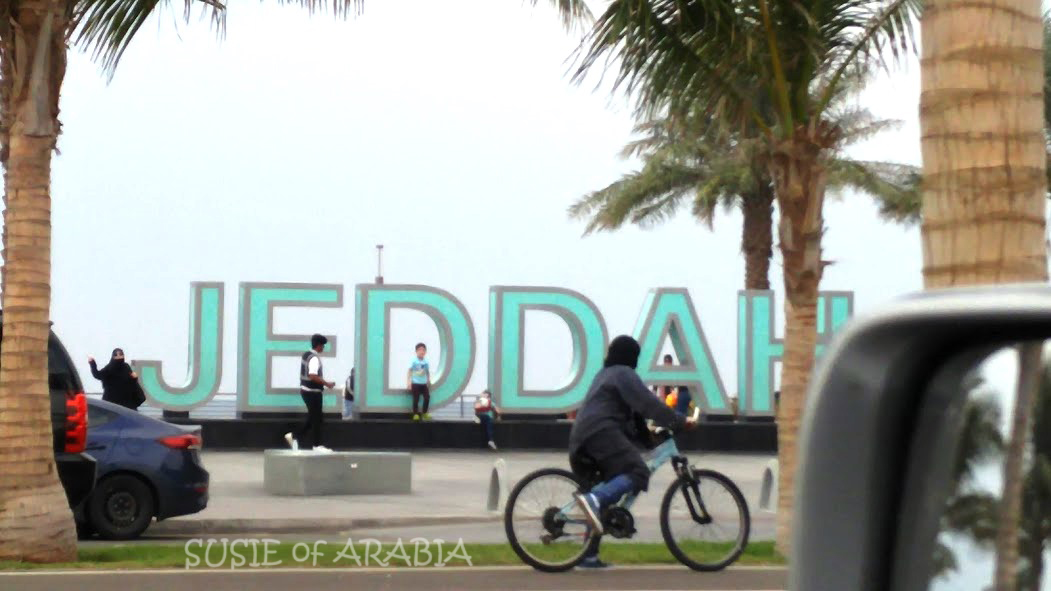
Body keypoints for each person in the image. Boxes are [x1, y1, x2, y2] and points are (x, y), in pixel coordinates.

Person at [569, 335, 697, 569]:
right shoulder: (623, 374)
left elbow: (635, 416)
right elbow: (648, 403)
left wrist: (650, 440)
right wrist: (678, 421)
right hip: (600, 433)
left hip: (582, 438)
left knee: (610, 485)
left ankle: (588, 556)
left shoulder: (604, 375)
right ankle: (594, 500)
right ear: (631, 357)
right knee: (637, 471)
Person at [285, 334, 335, 452]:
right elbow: (312, 376)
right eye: (323, 346)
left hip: (306, 391)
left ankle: (294, 436)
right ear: (318, 345)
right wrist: (327, 384)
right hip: (312, 392)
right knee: (316, 419)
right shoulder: (314, 358)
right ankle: (317, 445)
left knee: (315, 418)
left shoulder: (306, 355)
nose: (323, 348)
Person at [407, 343, 431, 421]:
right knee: (416, 399)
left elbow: (427, 371)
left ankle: (424, 413)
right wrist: (408, 382)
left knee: (427, 397)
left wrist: (428, 380)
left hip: (423, 384)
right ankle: (415, 414)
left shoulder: (426, 362)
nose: (422, 351)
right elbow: (409, 371)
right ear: (416, 351)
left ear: (425, 352)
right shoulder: (414, 361)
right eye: (420, 350)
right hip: (415, 383)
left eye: (423, 350)